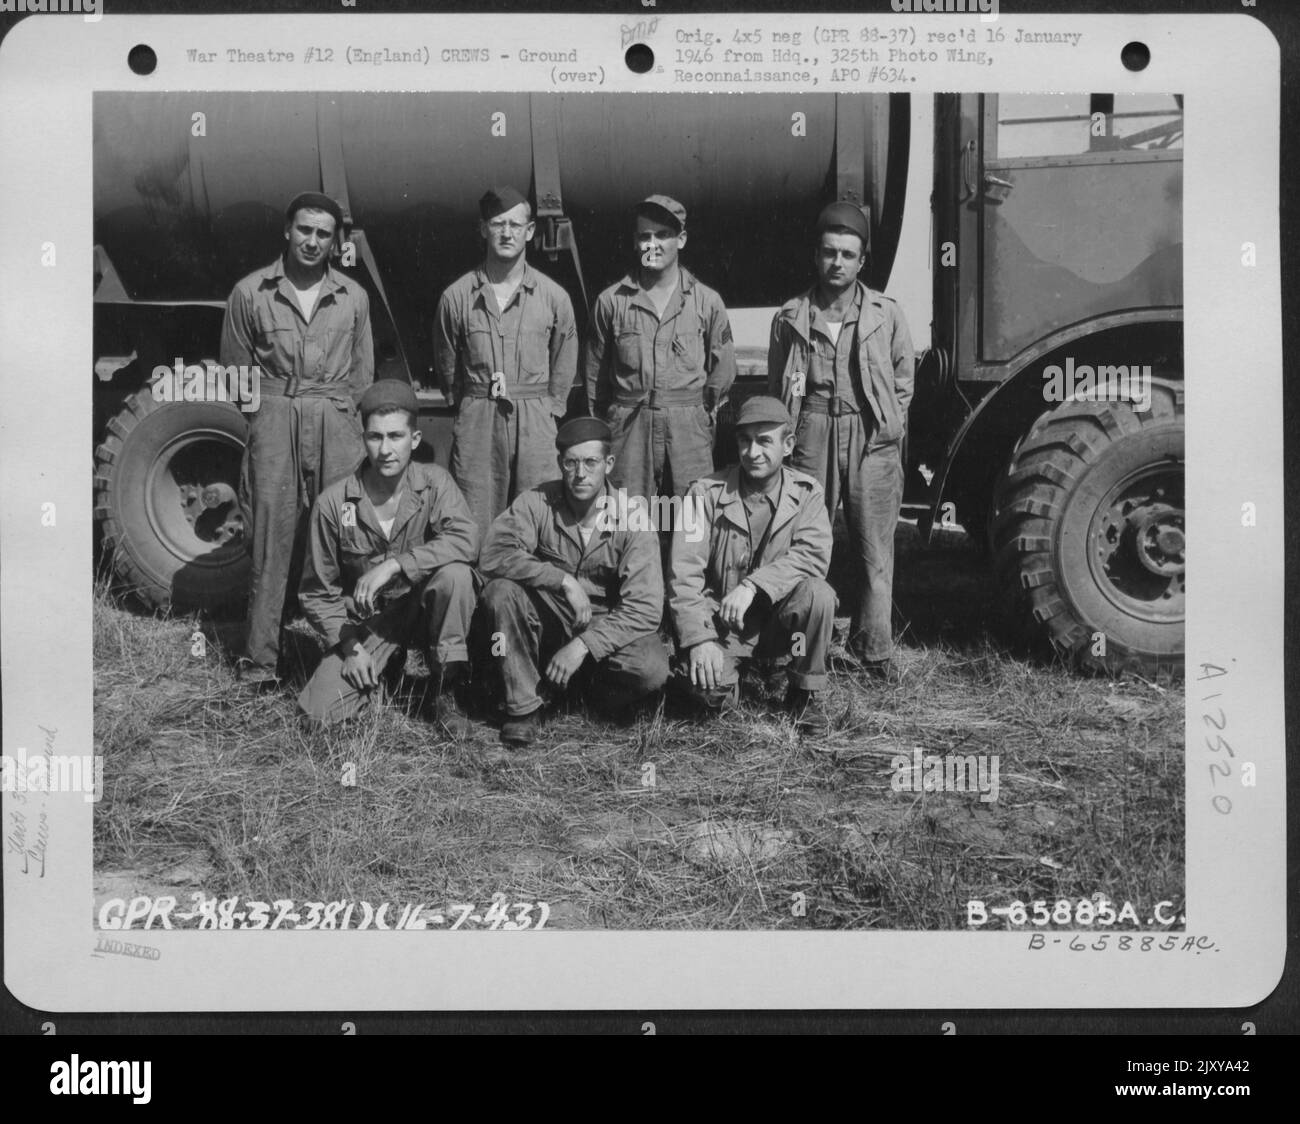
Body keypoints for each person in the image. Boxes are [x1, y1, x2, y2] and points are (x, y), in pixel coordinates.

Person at [220, 191, 374, 686]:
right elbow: (237, 372)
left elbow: (363, 375)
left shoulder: (352, 297)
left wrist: (344, 423)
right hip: (276, 415)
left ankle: (348, 657)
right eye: (304, 230)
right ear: (287, 231)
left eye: (323, 233)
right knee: (271, 534)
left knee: (344, 535)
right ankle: (261, 660)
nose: (312, 241)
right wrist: (268, 418)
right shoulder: (251, 292)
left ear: (335, 241)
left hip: (335, 420)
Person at [767, 201, 914, 677]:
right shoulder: (790, 316)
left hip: (869, 435)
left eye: (848, 255)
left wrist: (887, 426)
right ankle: (799, 648)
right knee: (803, 541)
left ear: (862, 261)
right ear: (816, 256)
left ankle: (874, 652)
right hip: (811, 429)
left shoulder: (885, 314)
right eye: (829, 253)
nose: (838, 263)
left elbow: (903, 381)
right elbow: (777, 385)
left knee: (874, 546)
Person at [296, 380, 479, 729]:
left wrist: (397, 564)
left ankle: (445, 687)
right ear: (363, 439)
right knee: (317, 714)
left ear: (414, 440)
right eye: (375, 437)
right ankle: (384, 668)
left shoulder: (435, 483)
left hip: (424, 610)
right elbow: (317, 592)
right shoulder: (334, 503)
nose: (385, 449)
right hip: (370, 622)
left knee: (456, 575)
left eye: (395, 436)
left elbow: (467, 539)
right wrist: (350, 647)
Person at [478, 417, 670, 747]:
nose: (580, 473)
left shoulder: (633, 518)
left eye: (590, 462)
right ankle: (523, 705)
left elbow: (645, 608)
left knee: (651, 668)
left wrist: (583, 646)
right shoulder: (537, 502)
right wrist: (563, 580)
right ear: (559, 464)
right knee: (501, 591)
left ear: (608, 464)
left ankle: (584, 690)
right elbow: (493, 554)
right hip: (548, 618)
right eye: (571, 462)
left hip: (604, 625)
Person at [668, 396, 836, 733]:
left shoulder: (808, 494)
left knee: (818, 594)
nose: (753, 452)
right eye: (745, 441)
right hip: (722, 624)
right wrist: (700, 640)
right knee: (710, 698)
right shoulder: (704, 494)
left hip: (781, 629)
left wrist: (753, 585)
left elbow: (813, 555)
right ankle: (731, 675)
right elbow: (683, 573)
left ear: (788, 445)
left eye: (764, 441)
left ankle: (803, 691)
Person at [434, 186, 579, 541]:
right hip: (479, 414)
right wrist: (468, 406)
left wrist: (549, 410)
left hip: (535, 417)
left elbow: (564, 360)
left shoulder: (553, 297)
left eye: (516, 225)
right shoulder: (457, 296)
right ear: (483, 229)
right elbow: (446, 361)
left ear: (530, 231)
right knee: (475, 513)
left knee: (538, 512)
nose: (507, 233)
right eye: (498, 224)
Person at [584, 194, 736, 504]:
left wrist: (699, 415)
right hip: (629, 428)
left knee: (692, 518)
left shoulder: (706, 302)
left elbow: (722, 372)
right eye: (645, 236)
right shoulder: (612, 302)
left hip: (687, 428)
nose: (652, 244)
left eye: (663, 235)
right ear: (635, 241)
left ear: (680, 240)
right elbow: (594, 378)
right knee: (629, 518)